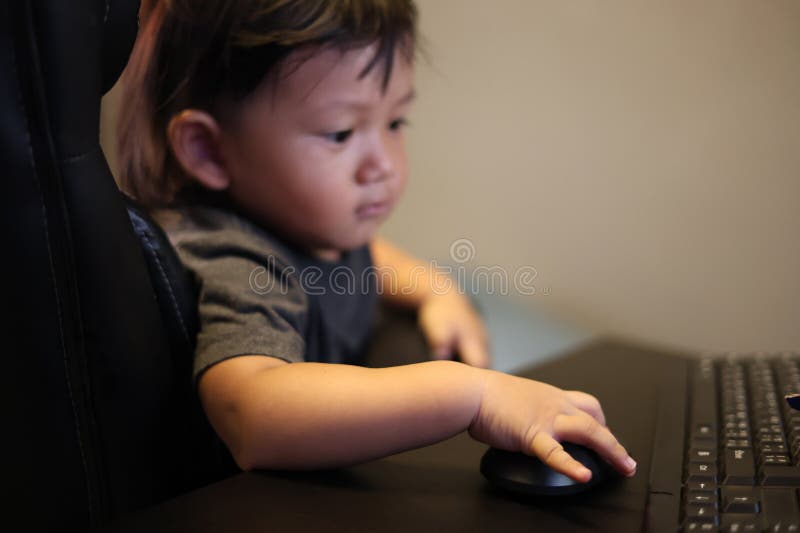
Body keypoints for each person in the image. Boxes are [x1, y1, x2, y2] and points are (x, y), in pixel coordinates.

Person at [118, 0, 637, 482]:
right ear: (209, 150)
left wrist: (437, 291)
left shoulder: (309, 228)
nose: (384, 165)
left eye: (395, 122)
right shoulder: (235, 258)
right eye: (341, 133)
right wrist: (472, 395)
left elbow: (367, 260)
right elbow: (254, 414)